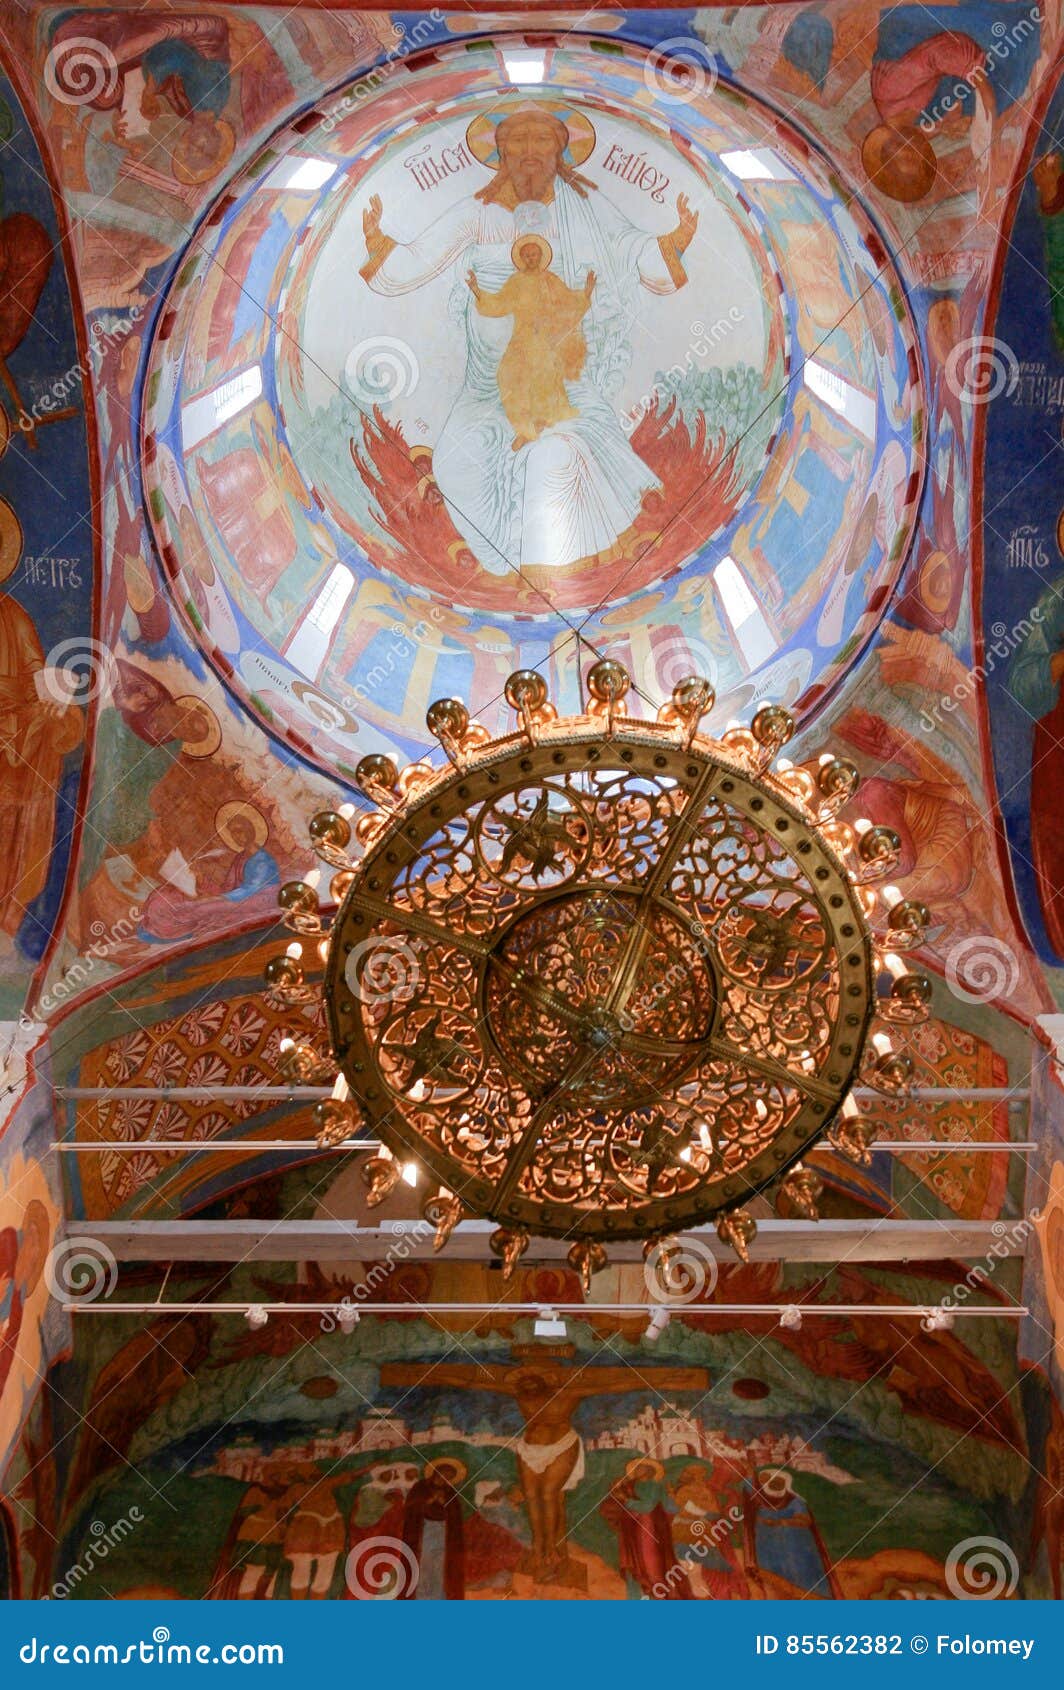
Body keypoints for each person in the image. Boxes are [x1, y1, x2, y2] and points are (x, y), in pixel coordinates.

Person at [360, 102, 698, 573]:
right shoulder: (475, 214)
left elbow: (630, 247)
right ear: (500, 154)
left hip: (560, 385)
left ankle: (555, 567)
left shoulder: (588, 207)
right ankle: (508, 567)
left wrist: (673, 240)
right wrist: (380, 244)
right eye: (517, 143)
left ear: (561, 153)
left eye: (542, 141)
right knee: (462, 462)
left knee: (557, 460)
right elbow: (422, 257)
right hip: (486, 389)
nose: (529, 153)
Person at [468, 236, 594, 450]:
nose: (530, 258)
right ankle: (524, 429)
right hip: (522, 340)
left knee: (543, 379)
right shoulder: (516, 282)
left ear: (541, 256)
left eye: (534, 254)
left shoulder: (550, 280)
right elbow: (499, 303)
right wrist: (476, 290)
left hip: (545, 341)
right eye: (526, 255)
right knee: (508, 376)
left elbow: (567, 301)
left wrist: (587, 292)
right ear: (521, 258)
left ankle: (538, 424)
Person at [601, 1458, 690, 1599]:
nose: (636, 1469)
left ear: (649, 1471)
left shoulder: (654, 1486)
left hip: (648, 1529)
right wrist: (616, 1491)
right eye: (636, 1467)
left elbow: (650, 1506)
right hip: (630, 1529)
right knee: (633, 1564)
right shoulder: (629, 1485)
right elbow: (614, 1498)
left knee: (650, 1564)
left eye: (640, 1467)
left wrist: (672, 1496)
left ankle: (656, 1595)